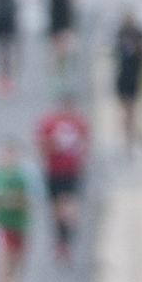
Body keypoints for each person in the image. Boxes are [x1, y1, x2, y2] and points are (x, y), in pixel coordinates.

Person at [35, 94, 90, 265]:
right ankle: (61, 241)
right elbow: (41, 145)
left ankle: (65, 241)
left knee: (67, 208)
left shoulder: (77, 123)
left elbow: (85, 146)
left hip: (70, 172)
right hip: (54, 171)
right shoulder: (50, 123)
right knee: (56, 209)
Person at [0, 138, 36, 282]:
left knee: (17, 269)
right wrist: (8, 200)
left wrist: (8, 200)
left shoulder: (23, 178)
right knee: (3, 269)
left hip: (20, 227)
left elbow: (28, 202)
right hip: (3, 228)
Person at [113, 9, 142, 154]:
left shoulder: (139, 34)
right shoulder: (120, 34)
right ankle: (129, 139)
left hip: (135, 77)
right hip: (124, 77)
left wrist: (141, 49)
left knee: (134, 110)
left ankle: (135, 135)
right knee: (126, 111)